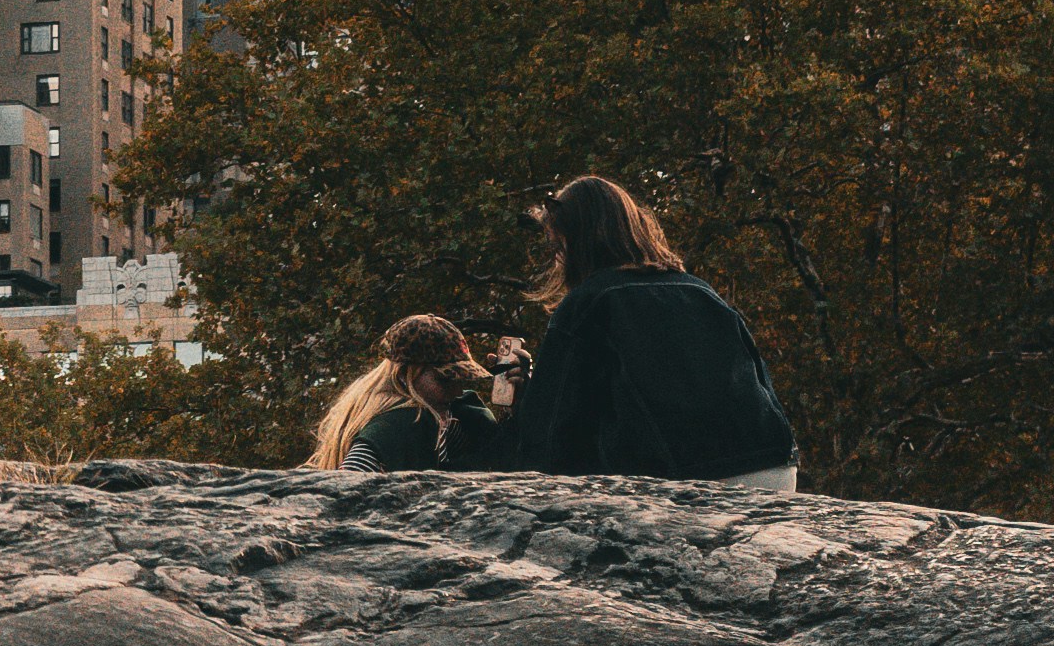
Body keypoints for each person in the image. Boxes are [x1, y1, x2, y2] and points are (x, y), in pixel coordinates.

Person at [498, 175, 799, 488]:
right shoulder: (699, 290)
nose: (557, 258)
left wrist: (522, 413)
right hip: (775, 465)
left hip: (695, 478)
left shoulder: (587, 302)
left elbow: (552, 434)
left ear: (573, 239)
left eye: (556, 245)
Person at [310, 313, 520, 470]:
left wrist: (517, 406)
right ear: (405, 374)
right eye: (445, 379)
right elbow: (346, 488)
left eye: (461, 379)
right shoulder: (394, 430)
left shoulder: (454, 420)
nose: (457, 392)